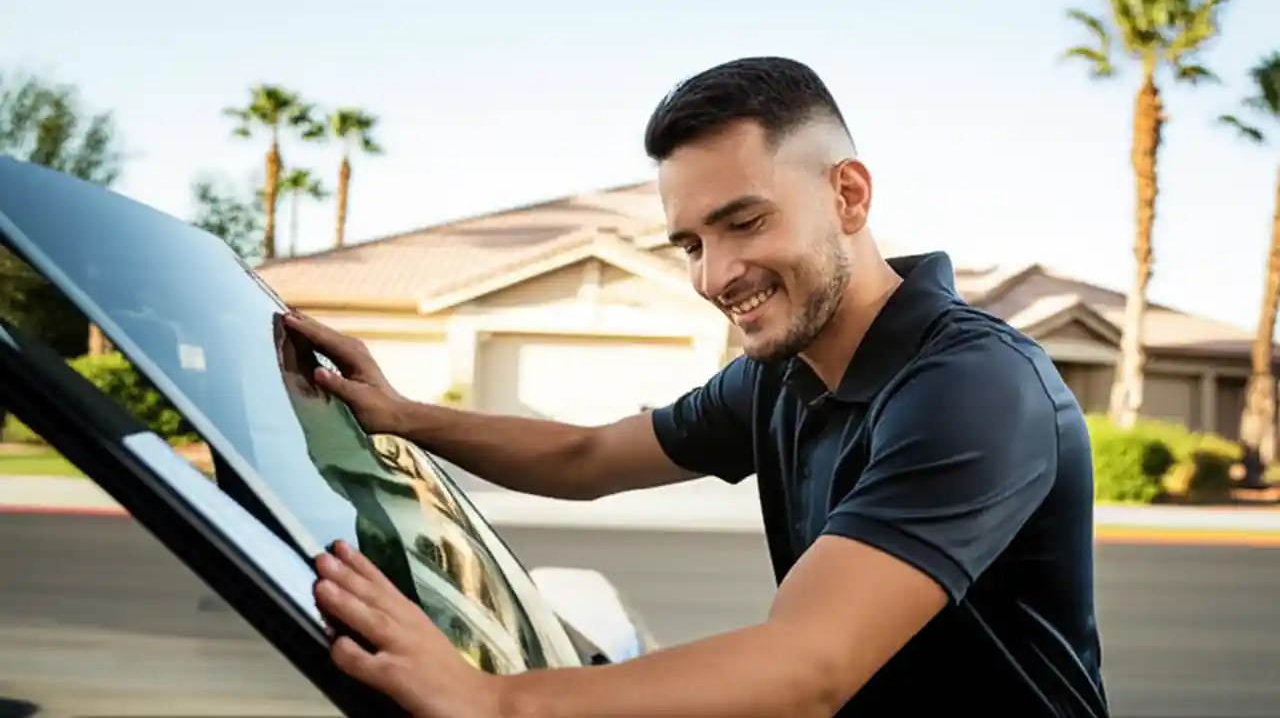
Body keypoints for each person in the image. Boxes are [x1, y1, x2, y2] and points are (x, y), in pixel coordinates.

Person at [285, 56, 1110, 718]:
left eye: (746, 223)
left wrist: (493, 701)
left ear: (848, 196)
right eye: (690, 243)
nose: (716, 275)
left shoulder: (973, 388)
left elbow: (806, 668)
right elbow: (590, 454)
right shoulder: (779, 377)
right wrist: (403, 416)